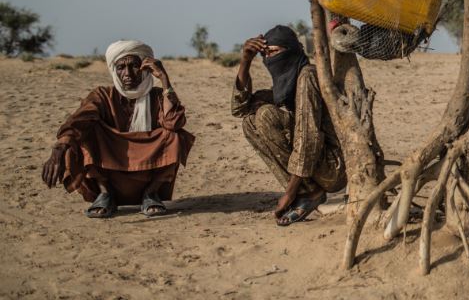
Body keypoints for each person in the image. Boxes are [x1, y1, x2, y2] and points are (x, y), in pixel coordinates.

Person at [41, 40, 194, 218]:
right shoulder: (102, 95)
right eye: (121, 67)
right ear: (114, 70)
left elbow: (173, 122)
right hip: (110, 164)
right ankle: (105, 194)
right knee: (85, 131)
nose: (127, 73)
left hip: (148, 164)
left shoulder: (157, 96)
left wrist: (165, 79)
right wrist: (58, 149)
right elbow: (77, 121)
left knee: (175, 135)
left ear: (145, 69)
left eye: (134, 66)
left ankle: (151, 193)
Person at [232, 25, 346, 226]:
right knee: (250, 122)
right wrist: (245, 61)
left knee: (267, 115)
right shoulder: (283, 88)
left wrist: (289, 192)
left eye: (274, 52)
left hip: (333, 167)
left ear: (291, 49)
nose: (269, 59)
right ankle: (308, 191)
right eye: (265, 55)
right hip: (316, 167)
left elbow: (308, 137)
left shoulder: (307, 76)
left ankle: (308, 194)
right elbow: (239, 109)